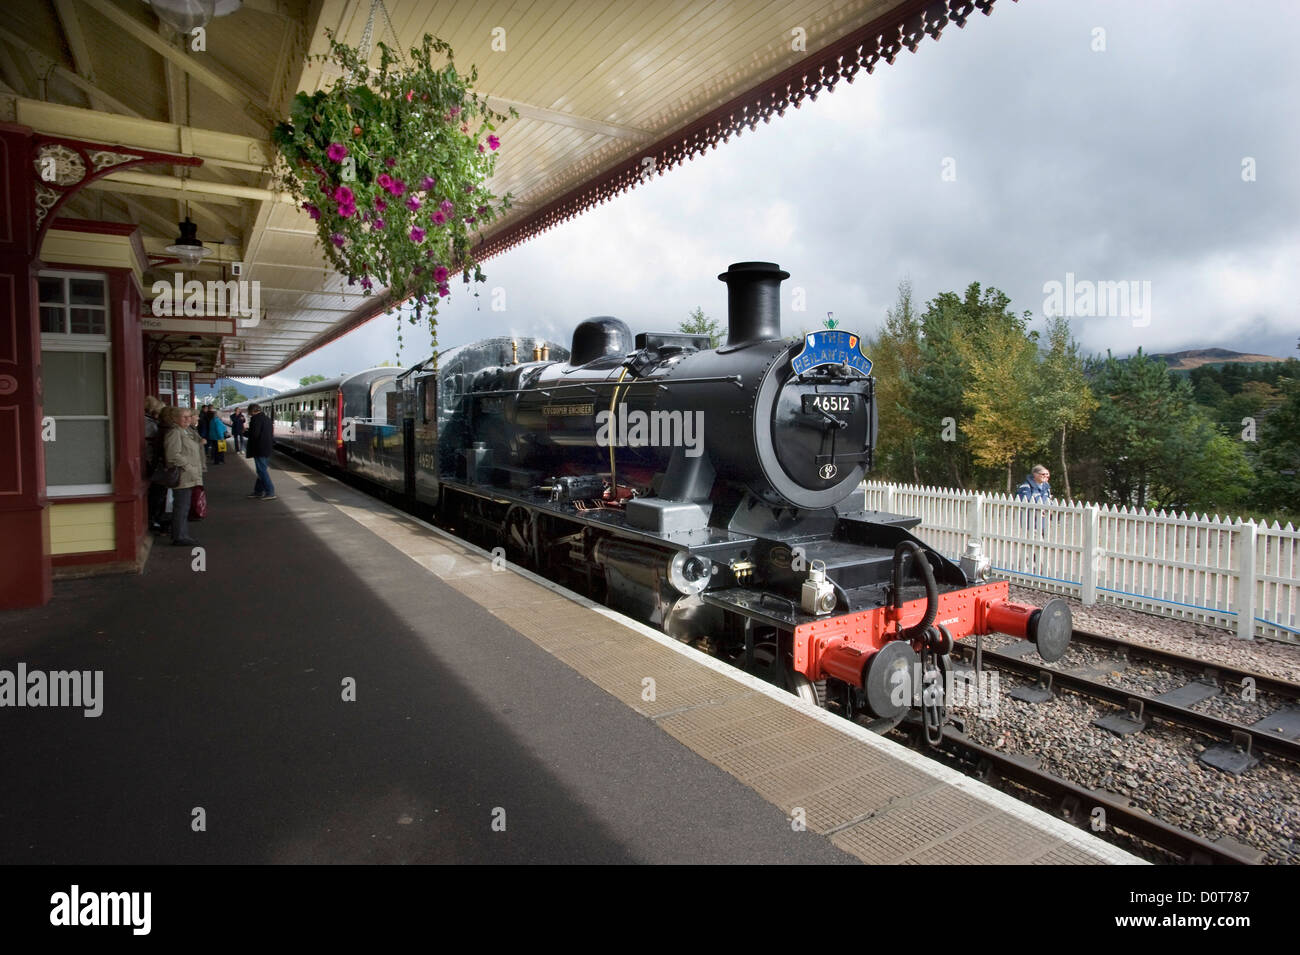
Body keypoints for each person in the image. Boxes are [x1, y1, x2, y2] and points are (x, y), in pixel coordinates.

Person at [162, 405, 206, 545]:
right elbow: (172, 455)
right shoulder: (175, 433)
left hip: (188, 476)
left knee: (184, 506)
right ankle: (179, 537)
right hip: (182, 475)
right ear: (175, 418)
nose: (188, 419)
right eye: (184, 417)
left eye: (189, 416)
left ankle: (181, 534)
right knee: (181, 506)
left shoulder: (185, 431)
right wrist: (189, 467)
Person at [144, 396, 168, 534]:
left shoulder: (150, 422)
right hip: (152, 463)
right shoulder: (150, 424)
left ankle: (155, 518)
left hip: (151, 462)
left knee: (158, 493)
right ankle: (154, 519)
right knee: (157, 493)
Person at [246, 403, 277, 501]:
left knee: (262, 471)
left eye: (249, 412)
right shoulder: (267, 419)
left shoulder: (255, 420)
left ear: (252, 411)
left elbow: (255, 435)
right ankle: (258, 491)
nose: (249, 414)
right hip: (267, 448)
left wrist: (246, 432)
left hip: (259, 449)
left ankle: (270, 491)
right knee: (261, 470)